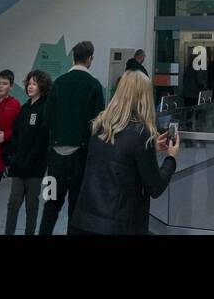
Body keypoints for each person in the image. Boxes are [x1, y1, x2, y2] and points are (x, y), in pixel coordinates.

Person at [69, 71, 179, 235]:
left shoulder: (100, 126)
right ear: (145, 97)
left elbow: (117, 155)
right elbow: (155, 187)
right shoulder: (141, 133)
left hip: (85, 221)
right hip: (118, 225)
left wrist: (151, 147)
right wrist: (171, 158)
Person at [38, 40, 105, 235]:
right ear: (90, 58)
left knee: (50, 206)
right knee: (76, 208)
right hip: (80, 158)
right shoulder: (94, 85)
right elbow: (98, 124)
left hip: (55, 160)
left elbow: (46, 119)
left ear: (73, 57)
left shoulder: (58, 83)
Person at [5, 69, 51, 235]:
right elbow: (16, 135)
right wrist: (13, 157)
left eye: (34, 83)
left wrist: (28, 161)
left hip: (35, 169)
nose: (30, 86)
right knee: (13, 205)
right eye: (29, 83)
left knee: (32, 207)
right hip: (18, 167)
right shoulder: (24, 109)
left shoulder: (46, 108)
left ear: (42, 86)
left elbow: (42, 140)